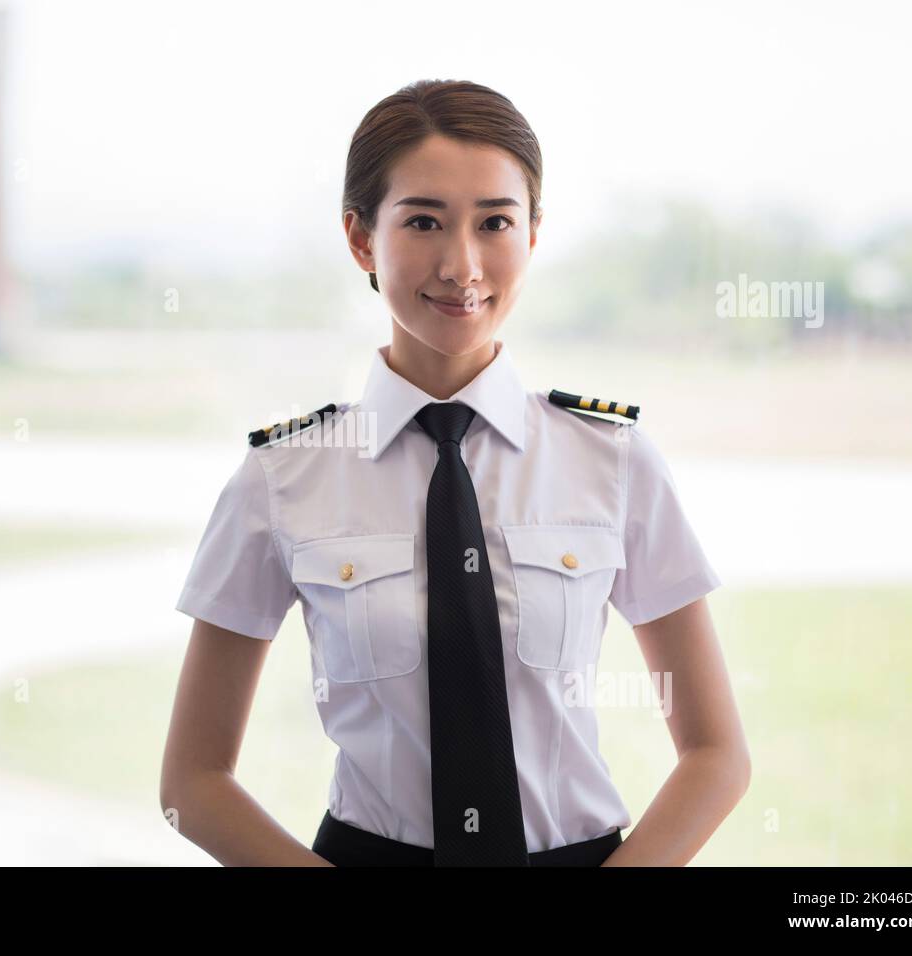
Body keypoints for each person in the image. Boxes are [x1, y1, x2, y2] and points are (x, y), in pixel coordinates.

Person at [160, 79, 750, 867]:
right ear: (362, 239)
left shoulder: (612, 461)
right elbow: (192, 782)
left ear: (534, 234)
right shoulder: (283, 477)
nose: (462, 265)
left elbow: (716, 755)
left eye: (496, 222)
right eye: (424, 221)